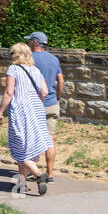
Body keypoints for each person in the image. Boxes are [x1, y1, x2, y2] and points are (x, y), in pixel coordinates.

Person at [0, 42, 52, 195]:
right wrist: (35, 102)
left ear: (15, 55)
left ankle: (39, 175)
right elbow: (45, 91)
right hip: (37, 111)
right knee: (29, 147)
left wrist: (0, 112)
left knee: (19, 149)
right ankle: (22, 184)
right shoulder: (35, 70)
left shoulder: (13, 69)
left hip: (20, 111)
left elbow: (8, 93)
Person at [26, 31, 64, 182]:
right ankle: (50, 174)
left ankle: (32, 171)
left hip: (35, 104)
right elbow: (60, 81)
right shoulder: (54, 59)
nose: (28, 43)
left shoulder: (29, 59)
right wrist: (58, 98)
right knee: (49, 138)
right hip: (52, 103)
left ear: (35, 42)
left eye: (30, 41)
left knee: (31, 138)